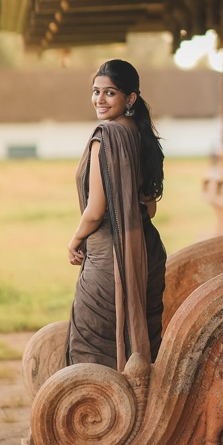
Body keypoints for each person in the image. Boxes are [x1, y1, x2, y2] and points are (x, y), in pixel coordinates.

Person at [65, 59, 166, 371]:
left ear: (130, 98)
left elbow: (96, 210)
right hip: (146, 254)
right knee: (141, 349)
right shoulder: (142, 136)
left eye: (110, 93)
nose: (100, 99)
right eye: (96, 92)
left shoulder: (106, 136)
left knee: (92, 351)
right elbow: (149, 207)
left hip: (110, 257)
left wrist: (75, 239)